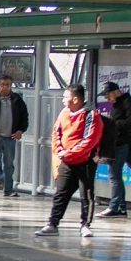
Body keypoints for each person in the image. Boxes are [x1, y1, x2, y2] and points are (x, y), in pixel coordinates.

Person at [35, 84, 104, 238]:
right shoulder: (64, 112)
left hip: (85, 161)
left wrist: (70, 153)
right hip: (66, 161)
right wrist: (60, 151)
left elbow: (90, 140)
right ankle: (53, 223)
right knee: (61, 193)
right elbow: (56, 132)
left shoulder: (91, 115)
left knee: (86, 193)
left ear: (75, 99)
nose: (63, 100)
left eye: (65, 97)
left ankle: (85, 225)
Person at [98, 81, 131, 217]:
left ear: (116, 91)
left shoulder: (127, 102)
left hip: (122, 143)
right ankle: (121, 207)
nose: (107, 99)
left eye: (107, 95)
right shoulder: (117, 104)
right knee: (115, 175)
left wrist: (112, 124)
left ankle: (115, 206)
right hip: (116, 143)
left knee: (114, 175)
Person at [0, 75, 29, 197]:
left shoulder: (17, 100)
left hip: (10, 137)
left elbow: (24, 118)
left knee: (9, 164)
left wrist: (21, 130)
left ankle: (8, 189)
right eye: (3, 84)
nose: (5, 87)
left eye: (8, 85)